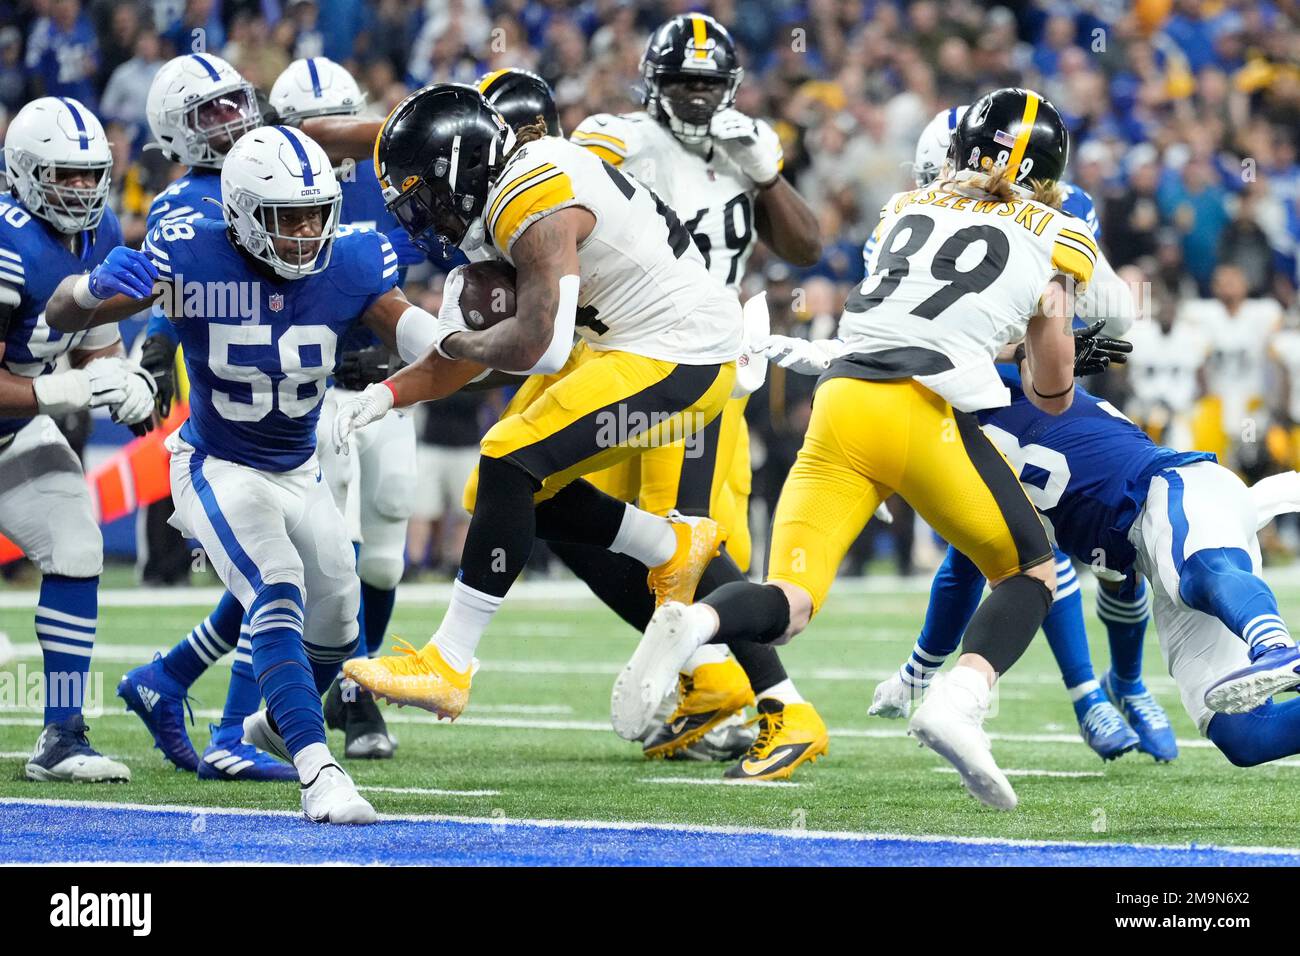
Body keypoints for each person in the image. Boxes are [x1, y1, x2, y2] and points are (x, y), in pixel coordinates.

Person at [613, 88, 1090, 808]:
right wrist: (1053, 343)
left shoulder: (909, 205)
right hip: (921, 410)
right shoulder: (1059, 232)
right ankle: (958, 701)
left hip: (839, 399)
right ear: (1050, 171)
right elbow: (1051, 387)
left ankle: (701, 621)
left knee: (793, 600)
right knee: (1029, 570)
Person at [47, 125, 449, 824]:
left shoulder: (350, 260)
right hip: (217, 463)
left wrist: (460, 347)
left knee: (341, 626)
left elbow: (425, 343)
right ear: (239, 213)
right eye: (285, 217)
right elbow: (62, 315)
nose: (303, 233)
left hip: (300, 470)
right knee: (277, 583)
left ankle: (267, 723)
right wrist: (85, 290)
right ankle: (317, 769)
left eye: (314, 214)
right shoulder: (192, 254)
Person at [331, 84, 740, 728]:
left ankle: (450, 662)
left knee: (508, 457)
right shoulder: (498, 188)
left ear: (459, 169)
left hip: (683, 357)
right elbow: (459, 360)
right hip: (636, 347)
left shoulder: (534, 194)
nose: (424, 220)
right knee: (500, 487)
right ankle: (668, 544)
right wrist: (385, 394)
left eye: (424, 200)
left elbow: (541, 345)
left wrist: (447, 337)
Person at [561, 16, 830, 777]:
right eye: (684, 80)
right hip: (627, 356)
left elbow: (807, 248)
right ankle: (709, 682)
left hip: (703, 363)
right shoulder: (618, 137)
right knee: (588, 524)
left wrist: (769, 173)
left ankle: (776, 703)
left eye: (711, 82)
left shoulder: (744, 147)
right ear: (654, 81)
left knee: (690, 543)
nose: (698, 95)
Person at [869, 105, 1175, 764]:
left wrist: (1062, 330)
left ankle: (1124, 683)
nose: (952, 183)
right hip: (983, 388)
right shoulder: (926, 209)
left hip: (1048, 395)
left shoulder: (1056, 212)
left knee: (1111, 549)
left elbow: (1109, 312)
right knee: (1000, 544)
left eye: (958, 168)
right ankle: (1088, 693)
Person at [873, 361, 1300, 770]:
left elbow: (1020, 344)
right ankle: (1142, 682)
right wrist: (915, 675)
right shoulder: (958, 458)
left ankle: (1275, 647)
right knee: (1244, 736)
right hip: (1143, 549)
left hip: (1174, 490)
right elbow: (963, 570)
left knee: (1201, 572)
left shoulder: (1001, 388)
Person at [114, 52, 295, 781]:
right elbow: (171, 291)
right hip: (242, 413)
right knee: (291, 572)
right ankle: (231, 733)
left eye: (234, 103)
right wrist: (153, 355)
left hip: (292, 391)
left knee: (288, 569)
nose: (233, 119)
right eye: (210, 113)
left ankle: (167, 678)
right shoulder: (183, 205)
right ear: (177, 134)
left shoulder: (272, 164)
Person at [272, 55, 425, 760]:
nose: (322, 140)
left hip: (387, 382)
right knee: (335, 543)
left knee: (388, 543)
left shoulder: (386, 181)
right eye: (306, 127)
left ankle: (350, 684)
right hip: (317, 388)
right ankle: (354, 700)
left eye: (333, 125)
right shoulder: (262, 191)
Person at [0, 97, 156, 782]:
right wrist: (41, 393)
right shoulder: (6, 245)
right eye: (65, 176)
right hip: (19, 411)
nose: (83, 191)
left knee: (77, 544)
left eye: (92, 176)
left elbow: (95, 343)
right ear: (26, 173)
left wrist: (122, 379)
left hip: (12, 436)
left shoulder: (95, 234)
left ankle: (61, 736)